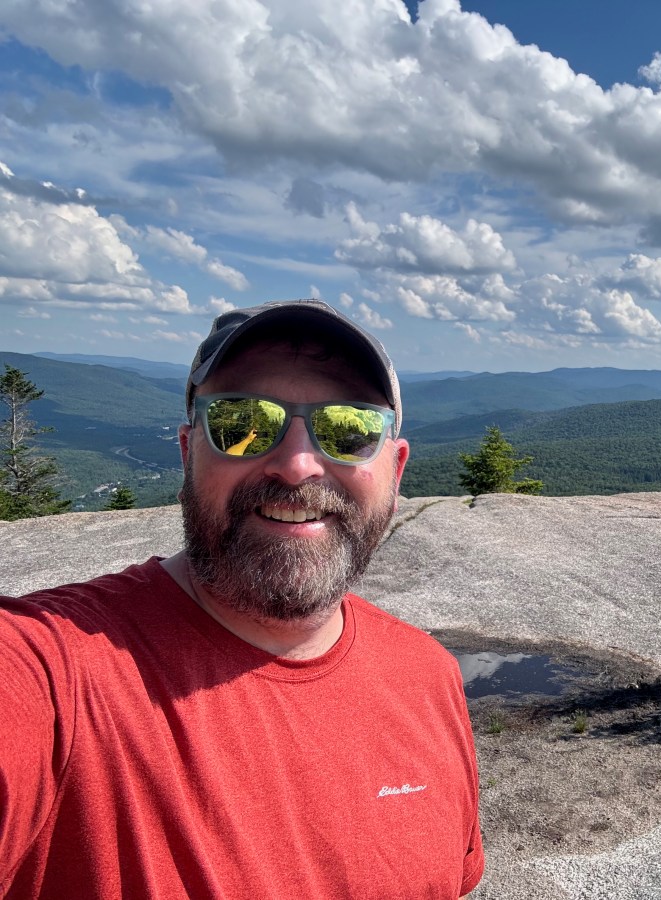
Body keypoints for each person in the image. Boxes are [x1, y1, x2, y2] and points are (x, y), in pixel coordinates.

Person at [0, 300, 484, 898]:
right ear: (187, 453)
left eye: (348, 428)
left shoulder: (428, 677)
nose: (297, 465)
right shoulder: (53, 672)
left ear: (397, 468)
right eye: (242, 421)